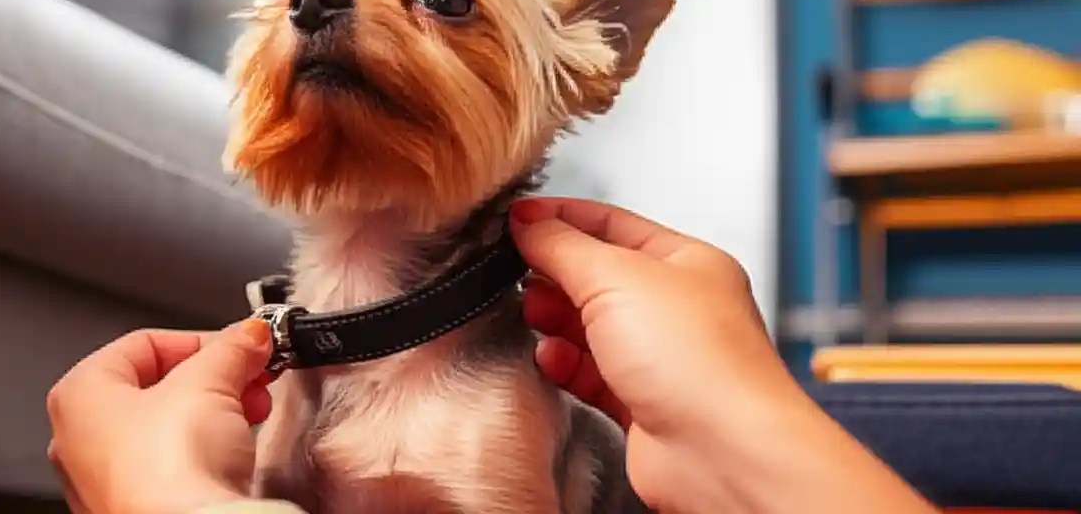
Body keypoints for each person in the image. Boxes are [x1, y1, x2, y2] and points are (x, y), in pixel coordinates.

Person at [46, 198, 939, 514]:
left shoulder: (515, 408)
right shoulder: (270, 396)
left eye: (440, 0)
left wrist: (162, 504)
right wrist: (747, 444)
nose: (320, 5)